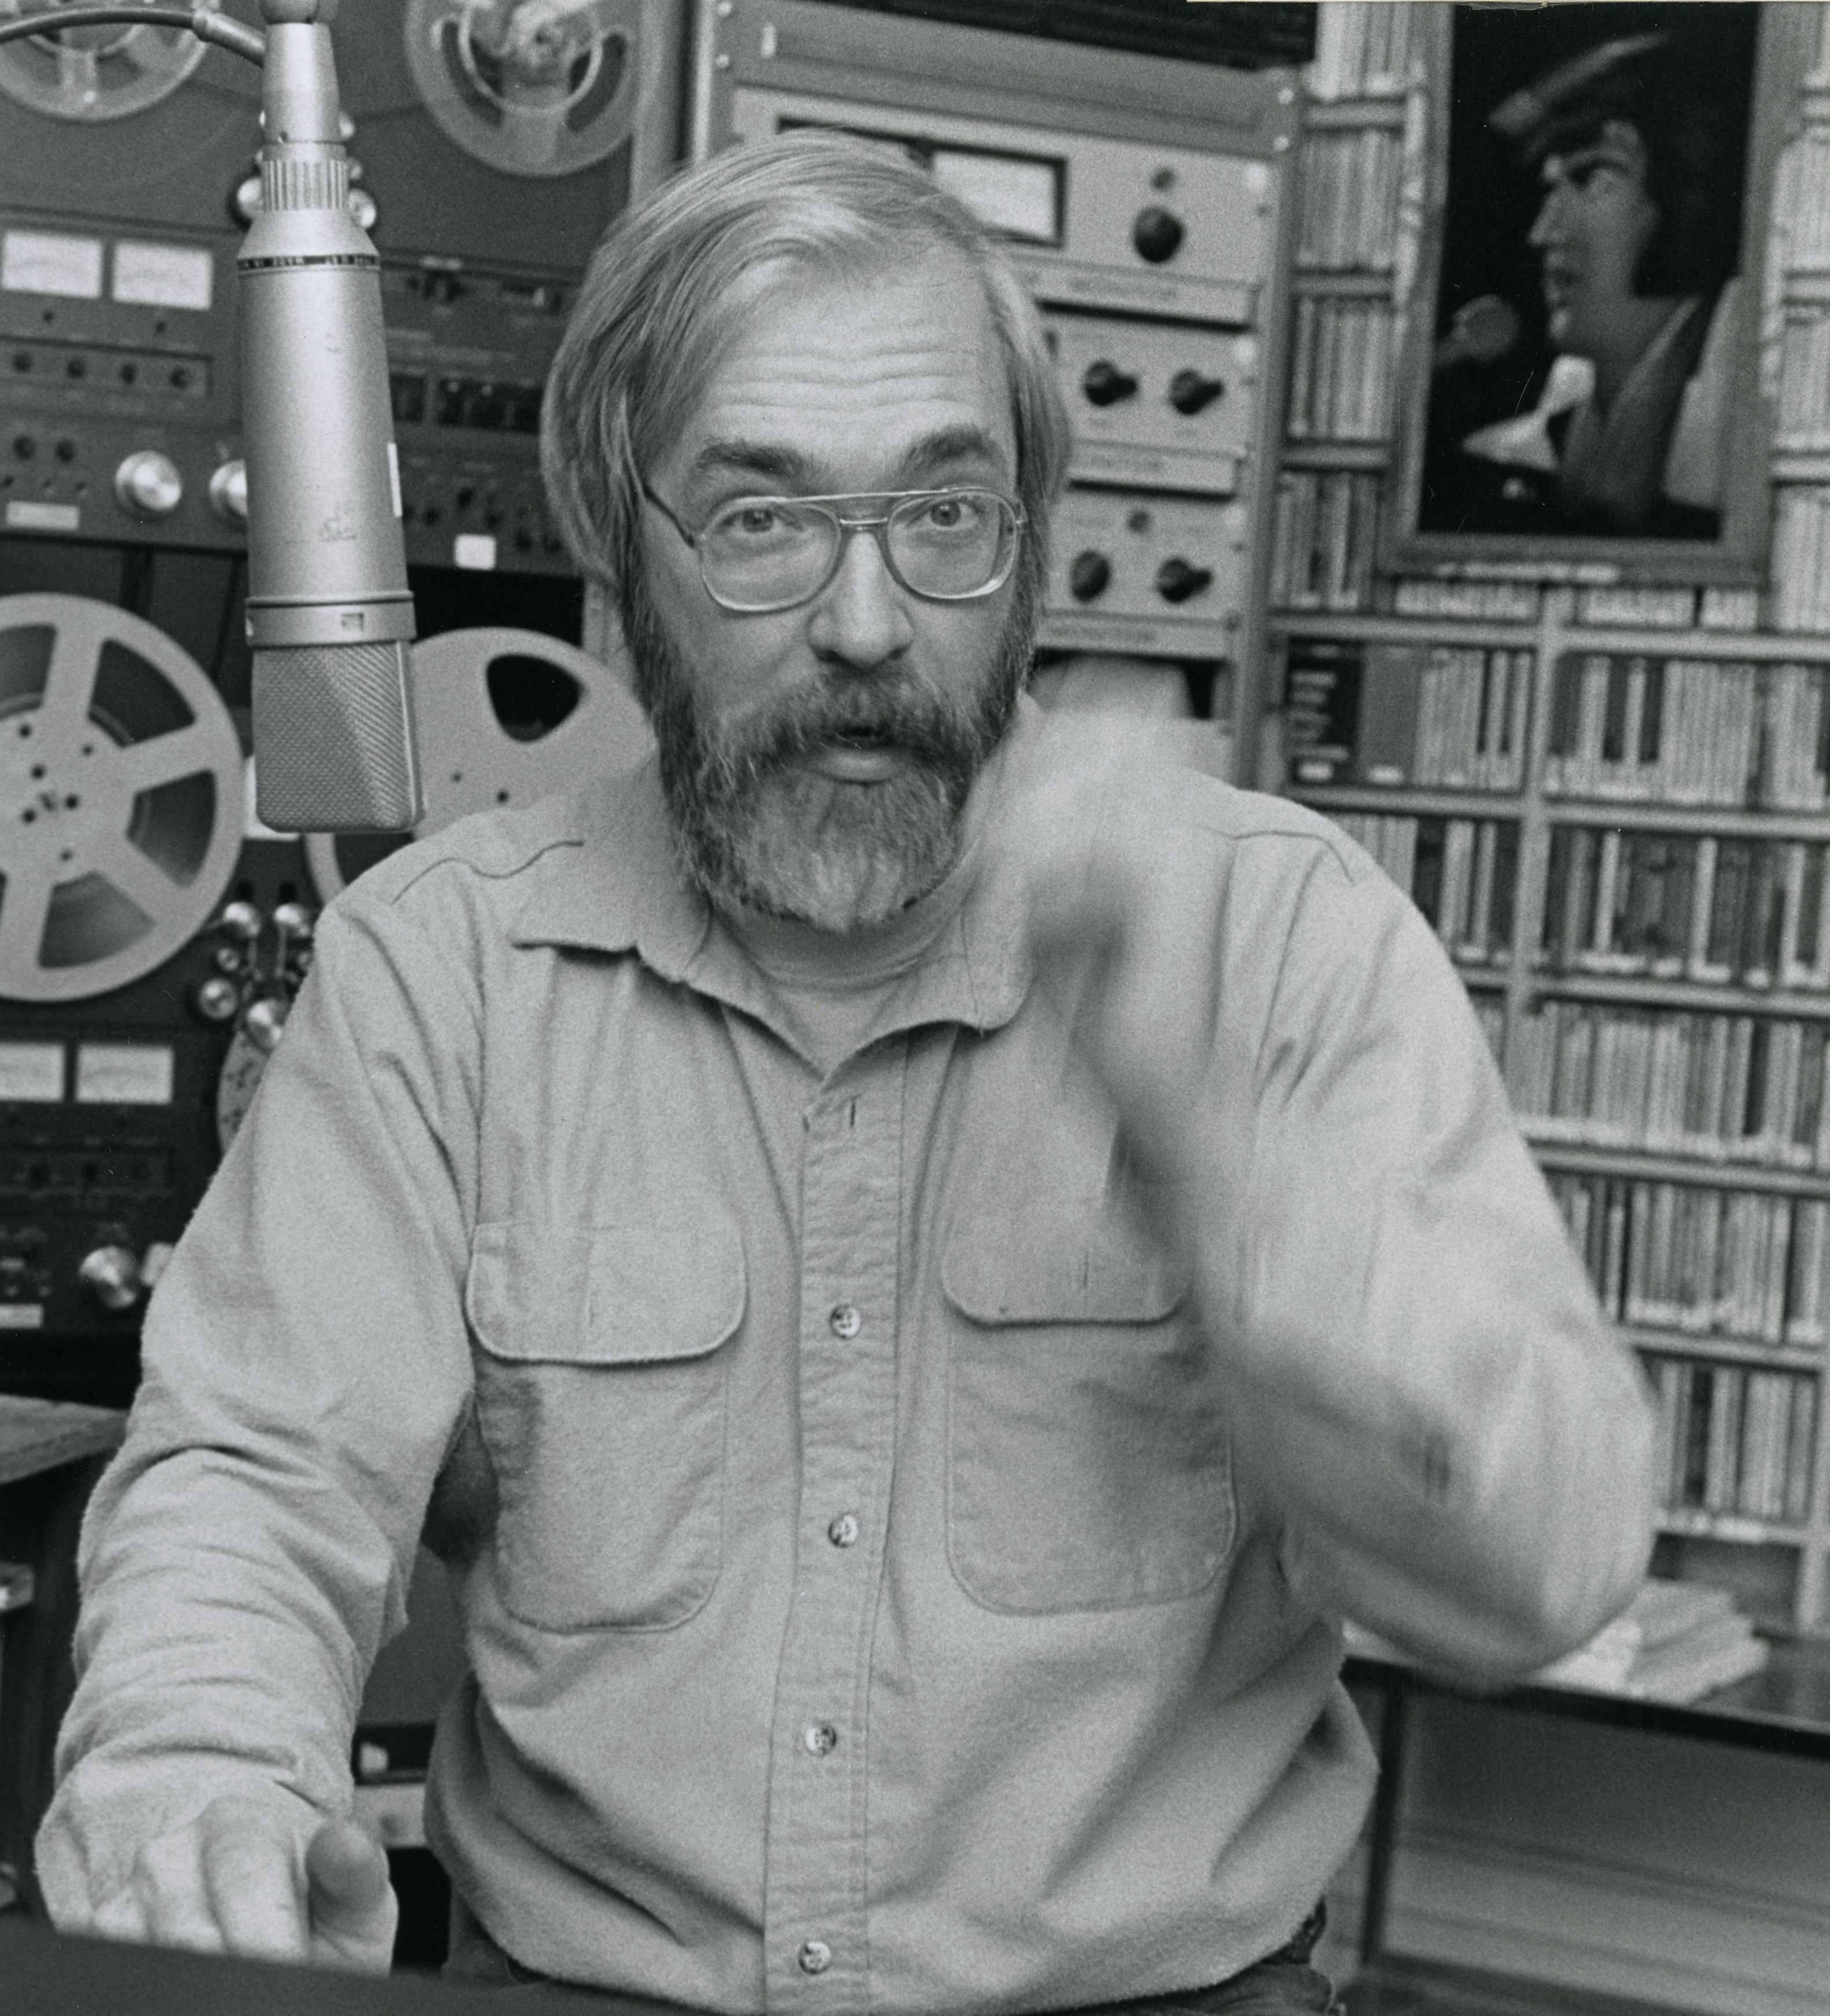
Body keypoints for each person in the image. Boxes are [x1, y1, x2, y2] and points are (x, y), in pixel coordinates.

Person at [37, 131, 1656, 2014]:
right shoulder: (440, 969)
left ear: (1029, 534)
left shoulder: (1289, 941)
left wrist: (1223, 1161)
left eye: (946, 512)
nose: (871, 622)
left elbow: (1543, 1570)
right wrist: (199, 1786)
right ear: (615, 539)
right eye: (761, 519)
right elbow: (257, 1476)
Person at [1447, 31, 1745, 540]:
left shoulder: (1730, 432)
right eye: (1550, 191)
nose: (1544, 232)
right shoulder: (1524, 447)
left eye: (1597, 183)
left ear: (1688, 203)